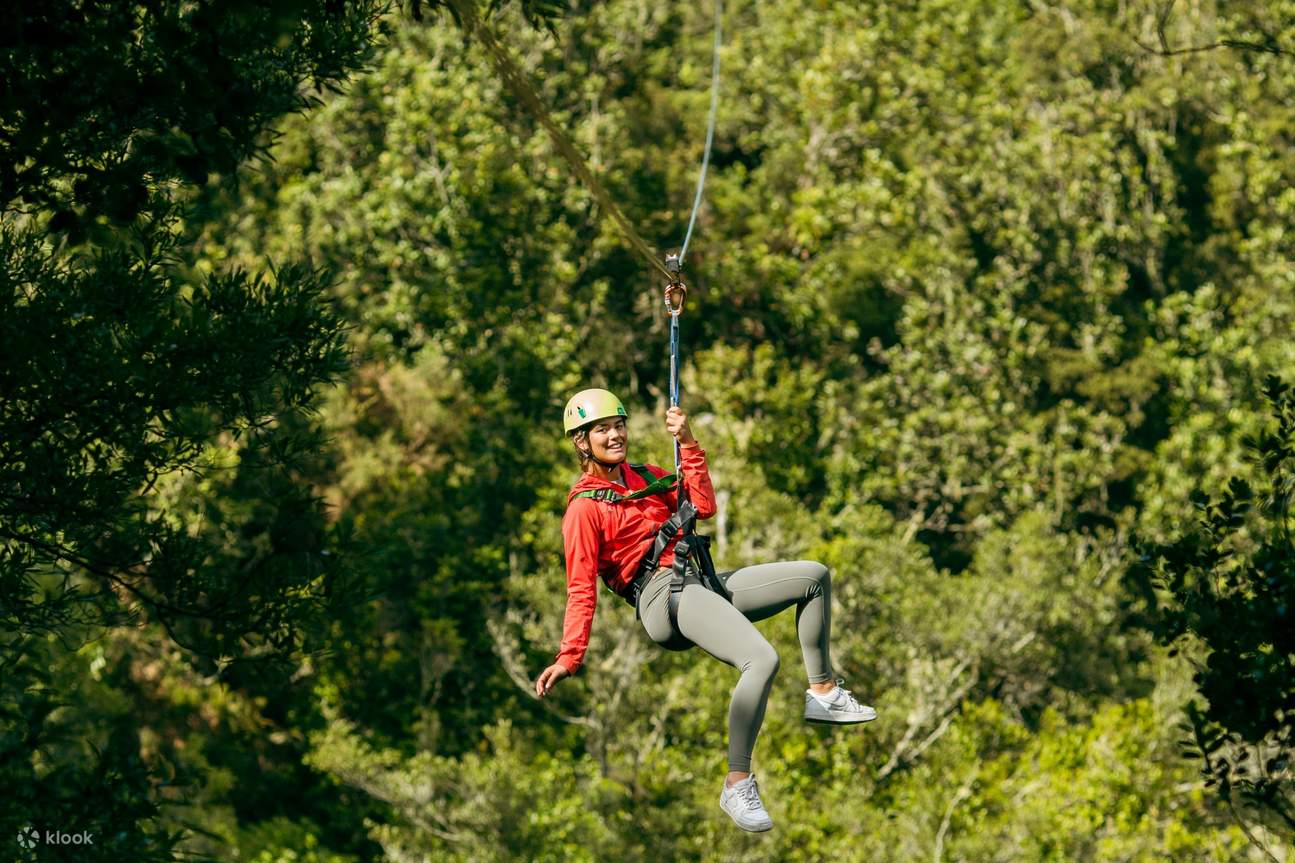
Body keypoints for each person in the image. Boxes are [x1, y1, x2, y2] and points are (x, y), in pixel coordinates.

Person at [533, 388, 876, 832]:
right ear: (582, 442)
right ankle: (737, 782)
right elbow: (581, 588)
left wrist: (689, 443)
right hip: (662, 598)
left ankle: (824, 694)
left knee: (813, 577)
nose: (616, 435)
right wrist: (569, 656)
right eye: (603, 430)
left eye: (619, 425)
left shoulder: (645, 477)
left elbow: (704, 506)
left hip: (697, 580)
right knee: (762, 659)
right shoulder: (583, 511)